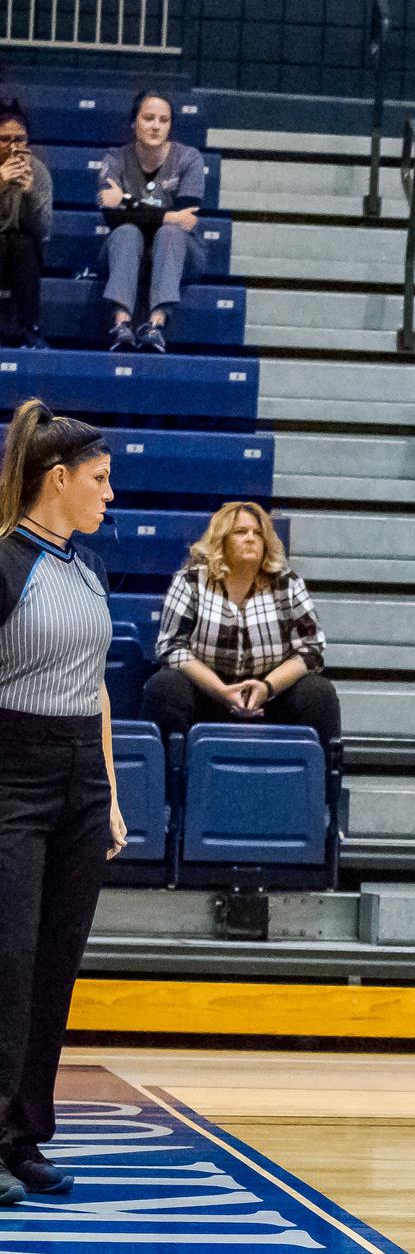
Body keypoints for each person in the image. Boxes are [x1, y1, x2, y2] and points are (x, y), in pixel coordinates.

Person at [0, 400, 126, 1208]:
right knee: (6, 964)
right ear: (58, 479)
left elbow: (99, 689)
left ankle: (20, 1137)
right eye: (101, 479)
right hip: (12, 770)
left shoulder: (87, 569)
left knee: (53, 967)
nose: (111, 494)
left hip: (82, 775)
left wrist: (108, 792)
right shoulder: (7, 563)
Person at [140, 502, 341, 757]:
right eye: (240, 532)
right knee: (164, 687)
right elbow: (171, 648)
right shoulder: (190, 581)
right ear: (221, 540)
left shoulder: (288, 585)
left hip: (271, 694)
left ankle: (320, 790)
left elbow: (312, 650)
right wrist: (221, 692)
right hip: (208, 691)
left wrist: (267, 688)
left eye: (258, 533)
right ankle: (162, 788)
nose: (251, 538)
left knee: (319, 693)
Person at [98, 91, 207, 353]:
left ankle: (155, 325)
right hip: (126, 252)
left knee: (170, 233)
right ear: (134, 122)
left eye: (163, 120)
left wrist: (126, 200)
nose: (156, 126)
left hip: (181, 254)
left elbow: (187, 220)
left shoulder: (189, 158)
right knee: (126, 231)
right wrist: (166, 215)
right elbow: (111, 216)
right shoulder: (114, 158)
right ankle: (121, 325)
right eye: (148, 118)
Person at [0, 102, 51, 348]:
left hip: (23, 255)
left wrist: (30, 195)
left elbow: (43, 232)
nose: (13, 146)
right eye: (4, 139)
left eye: (19, 140)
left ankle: (31, 328)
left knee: (23, 243)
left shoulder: (38, 172)